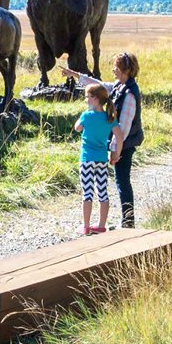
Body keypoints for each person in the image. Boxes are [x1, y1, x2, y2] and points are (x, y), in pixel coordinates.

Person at [62, 52, 144, 228]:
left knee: (122, 182)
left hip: (124, 146)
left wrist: (115, 151)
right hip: (118, 146)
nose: (113, 70)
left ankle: (128, 222)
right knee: (118, 182)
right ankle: (126, 221)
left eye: (116, 67)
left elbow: (123, 128)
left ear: (125, 70)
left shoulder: (129, 94)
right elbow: (99, 87)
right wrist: (75, 75)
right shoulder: (120, 86)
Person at [73, 83, 124, 235]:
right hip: (101, 159)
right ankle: (101, 225)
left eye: (87, 97)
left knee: (87, 193)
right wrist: (116, 153)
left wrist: (84, 116)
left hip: (87, 159)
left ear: (95, 99)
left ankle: (86, 226)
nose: (86, 100)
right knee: (102, 191)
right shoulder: (109, 117)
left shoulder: (86, 116)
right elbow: (119, 136)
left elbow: (77, 128)